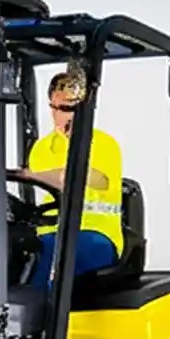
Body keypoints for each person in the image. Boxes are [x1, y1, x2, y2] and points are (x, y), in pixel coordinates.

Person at [18, 65, 124, 290]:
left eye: (66, 108)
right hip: (52, 233)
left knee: (54, 254)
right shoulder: (42, 149)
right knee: (5, 249)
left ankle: (36, 320)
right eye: (54, 108)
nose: (58, 116)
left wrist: (30, 175)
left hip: (97, 236)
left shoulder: (105, 145)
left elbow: (81, 178)